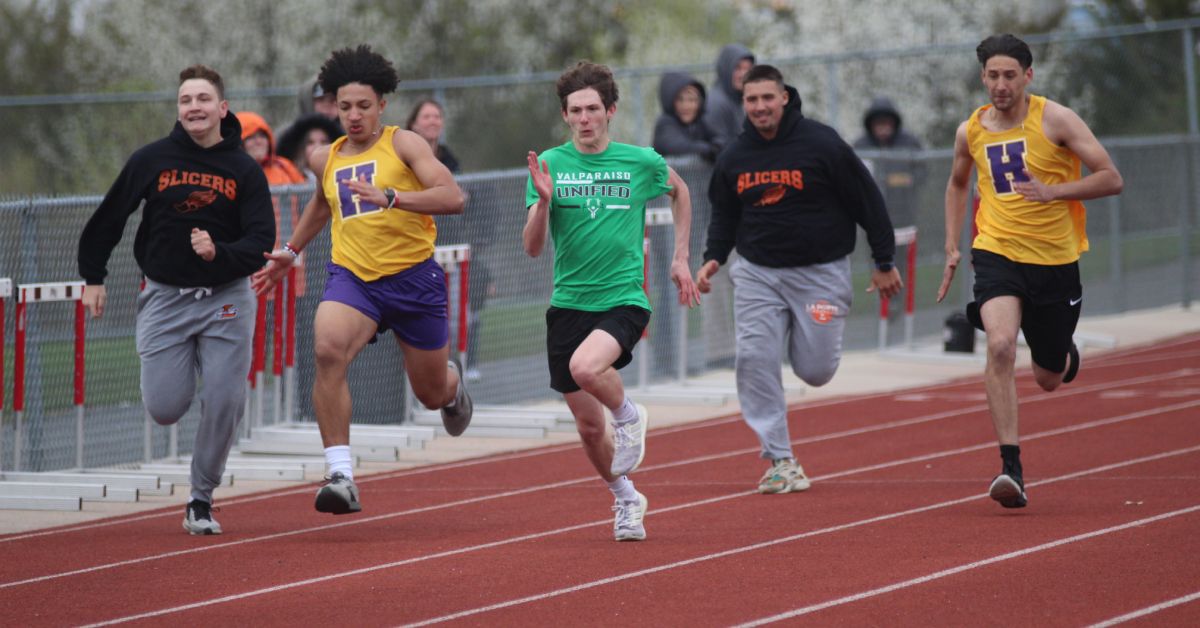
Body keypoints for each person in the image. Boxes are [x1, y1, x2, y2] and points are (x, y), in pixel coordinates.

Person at [252, 45, 473, 516]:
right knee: (328, 348)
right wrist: (291, 251)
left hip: (414, 280)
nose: (353, 116)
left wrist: (390, 197)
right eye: (344, 106)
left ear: (382, 106)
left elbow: (452, 197)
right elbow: (321, 203)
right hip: (355, 279)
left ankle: (453, 387)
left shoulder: (404, 144)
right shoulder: (323, 157)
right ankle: (340, 474)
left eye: (364, 107)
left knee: (430, 393)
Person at [77, 64, 275, 535]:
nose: (194, 107)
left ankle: (200, 499)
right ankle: (179, 390)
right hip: (165, 296)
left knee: (225, 398)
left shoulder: (243, 170)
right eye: (186, 100)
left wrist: (218, 253)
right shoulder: (153, 159)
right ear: (178, 109)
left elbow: (262, 240)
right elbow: (109, 217)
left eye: (203, 99)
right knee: (165, 407)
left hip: (227, 298)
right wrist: (93, 276)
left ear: (222, 109)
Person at [695, 64, 902, 495]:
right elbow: (725, 214)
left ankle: (795, 332)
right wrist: (713, 257)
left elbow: (868, 201)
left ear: (784, 97)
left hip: (820, 273)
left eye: (767, 98)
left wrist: (883, 261)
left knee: (816, 370)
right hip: (756, 273)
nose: (759, 107)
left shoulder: (822, 144)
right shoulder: (735, 156)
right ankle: (780, 458)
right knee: (753, 356)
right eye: (751, 100)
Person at [937, 34, 1123, 509]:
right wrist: (952, 245)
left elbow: (1111, 177)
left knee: (1048, 376)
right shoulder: (971, 131)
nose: (1001, 84)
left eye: (1010, 75)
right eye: (993, 75)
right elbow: (958, 184)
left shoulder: (1055, 119)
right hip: (996, 252)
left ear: (1028, 76)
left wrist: (1053, 192)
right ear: (982, 77)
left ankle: (1063, 355)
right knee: (999, 345)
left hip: (1055, 262)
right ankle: (1011, 469)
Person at [524, 61, 700, 542]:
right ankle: (626, 497)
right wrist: (543, 202)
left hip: (622, 298)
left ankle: (629, 416)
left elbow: (681, 192)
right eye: (575, 111)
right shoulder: (551, 167)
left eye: (593, 109)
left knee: (586, 369)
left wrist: (681, 257)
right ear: (565, 116)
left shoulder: (640, 161)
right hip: (568, 304)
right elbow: (534, 247)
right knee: (585, 426)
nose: (584, 118)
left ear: (610, 111)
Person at [853, 96, 924, 228]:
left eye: (886, 123)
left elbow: (923, 169)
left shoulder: (909, 143)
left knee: (903, 245)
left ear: (894, 123)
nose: (883, 129)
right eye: (878, 124)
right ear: (871, 125)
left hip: (904, 210)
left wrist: (910, 179)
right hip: (871, 211)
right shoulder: (861, 146)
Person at [652, 71, 719, 161]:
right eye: (680, 100)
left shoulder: (700, 122)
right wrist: (708, 150)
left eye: (692, 100)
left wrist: (717, 147)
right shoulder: (665, 124)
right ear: (670, 101)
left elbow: (719, 138)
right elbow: (677, 146)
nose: (686, 106)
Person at [702, 43, 755, 152]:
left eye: (748, 69)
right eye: (738, 68)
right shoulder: (716, 103)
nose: (744, 74)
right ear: (726, 68)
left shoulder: (735, 99)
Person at [276, 113, 344, 182]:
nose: (317, 147)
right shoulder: (288, 177)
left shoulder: (342, 176)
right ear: (301, 149)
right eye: (310, 142)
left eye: (324, 142)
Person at [406, 99, 460, 173]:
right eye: (426, 117)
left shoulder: (448, 158)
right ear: (413, 125)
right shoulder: (404, 158)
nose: (432, 121)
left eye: (437, 117)